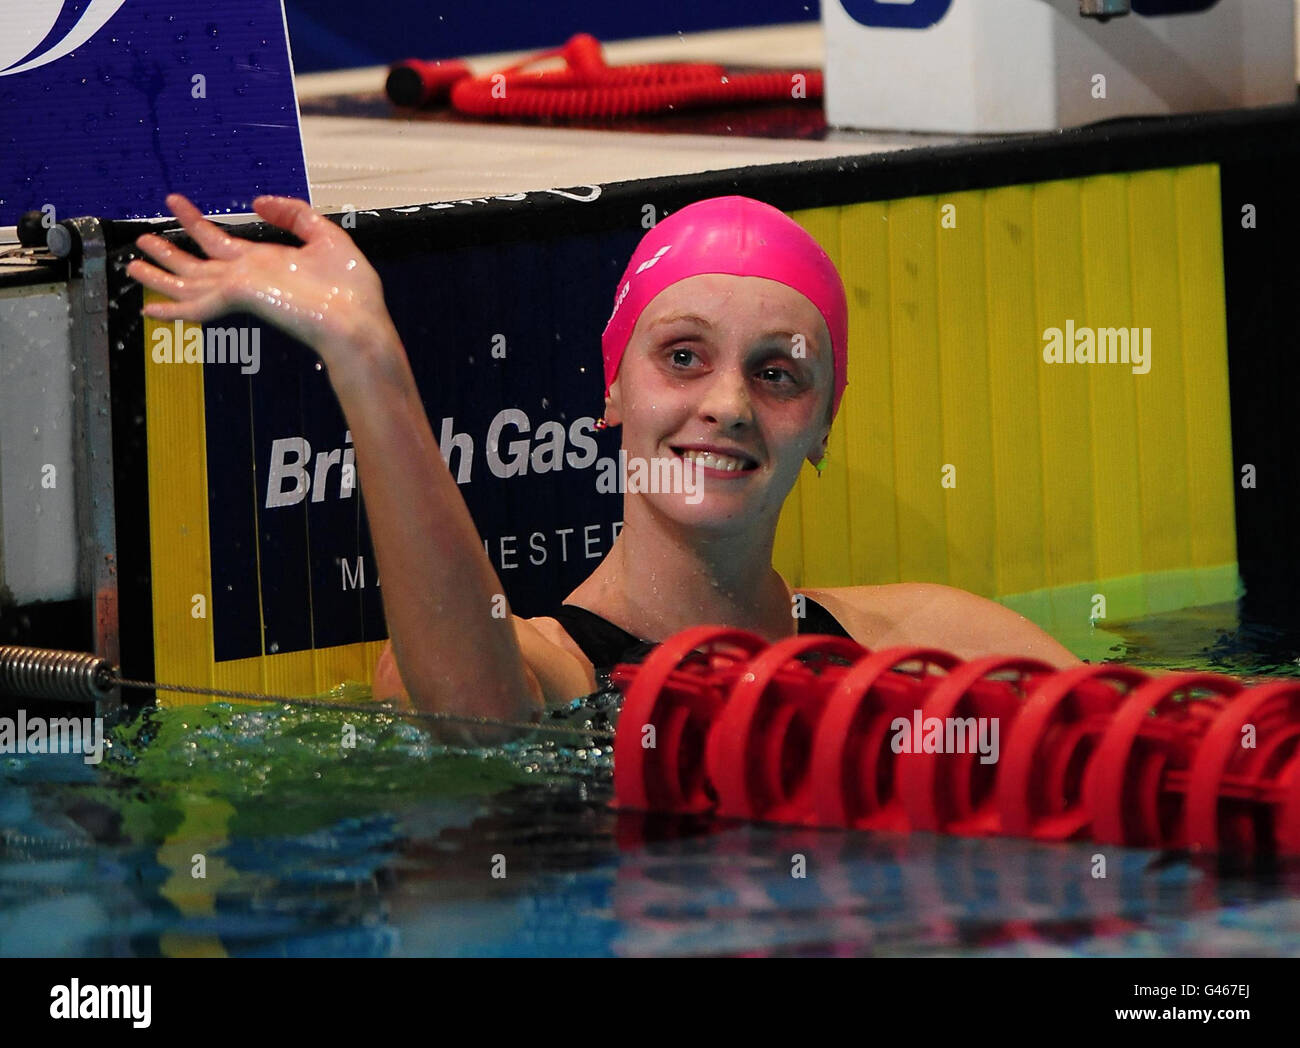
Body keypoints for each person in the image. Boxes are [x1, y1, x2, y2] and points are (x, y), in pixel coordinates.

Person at [128, 192, 1082, 730]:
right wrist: (368, 360)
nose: (727, 405)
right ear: (613, 392)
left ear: (825, 424)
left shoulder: (927, 639)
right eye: (682, 357)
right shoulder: (543, 667)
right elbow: (473, 717)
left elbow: (1178, 746)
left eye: (778, 373)